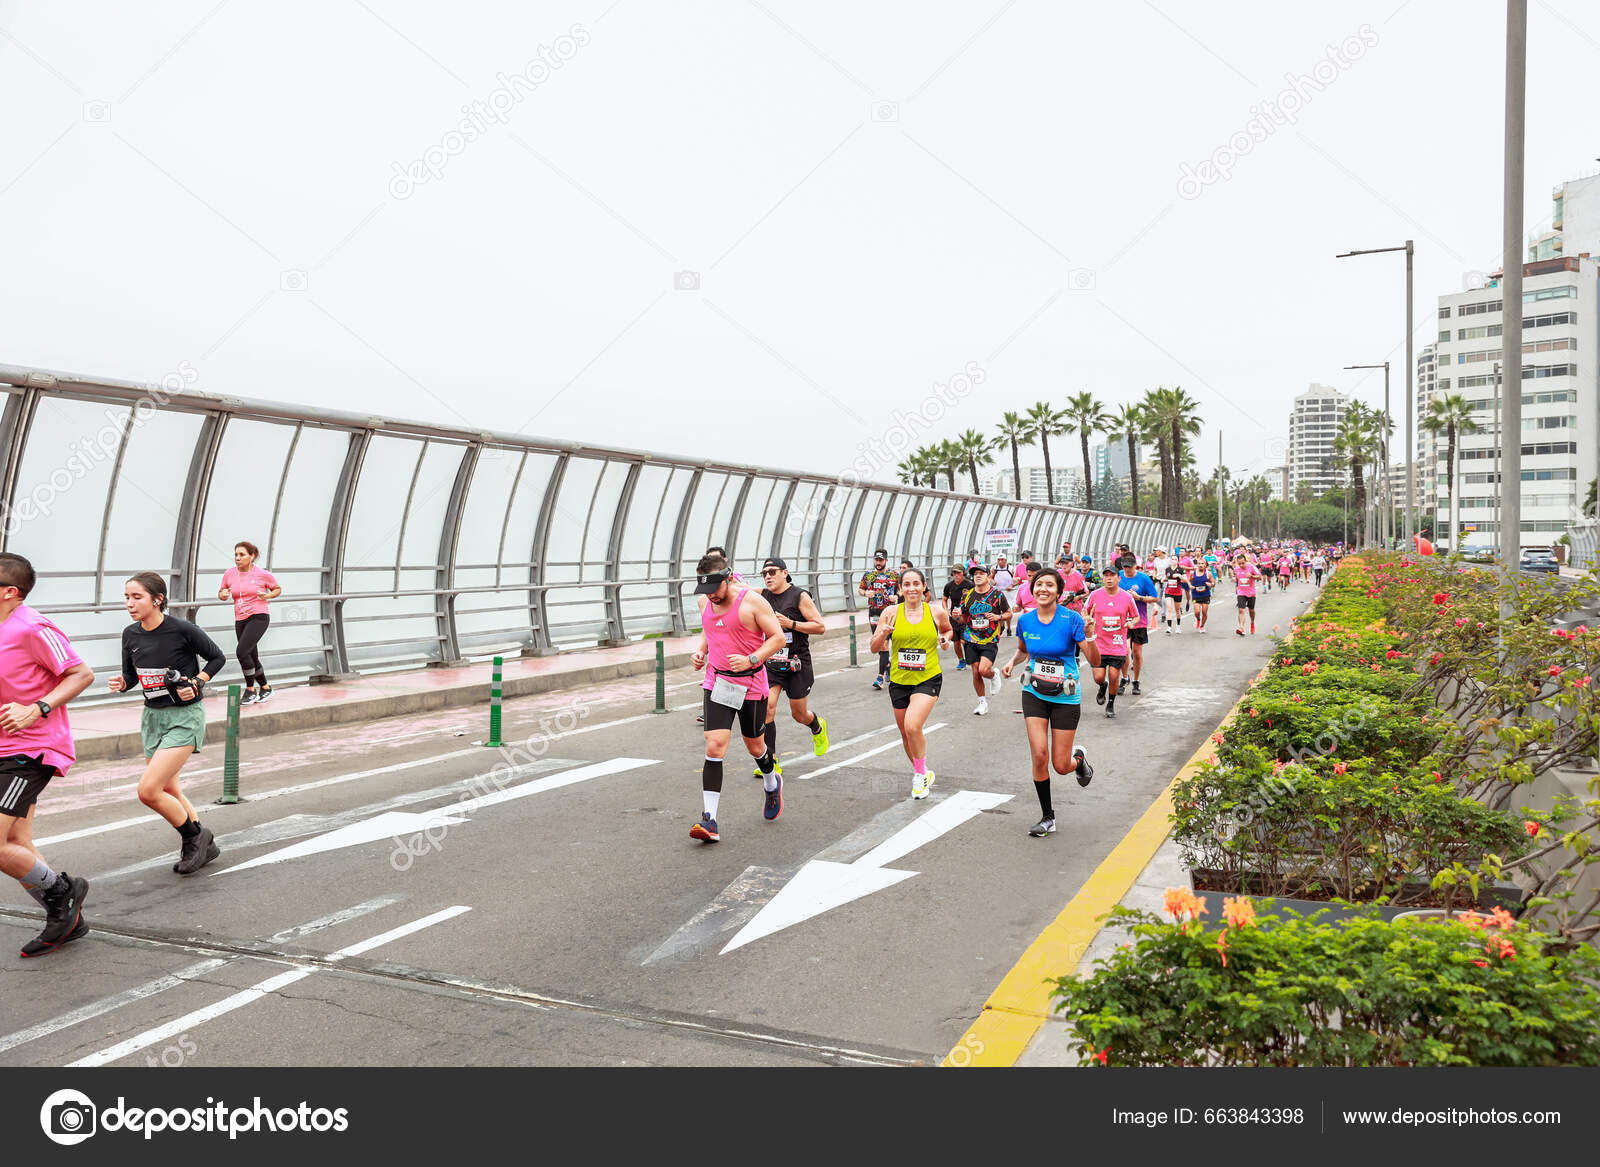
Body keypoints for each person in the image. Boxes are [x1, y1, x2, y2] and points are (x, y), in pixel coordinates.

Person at [0, 553, 96, 957]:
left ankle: (64, 893)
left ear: (9, 592)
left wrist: (36, 707)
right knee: (16, 842)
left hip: (32, 748)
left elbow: (81, 673)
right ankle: (65, 916)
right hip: (3, 747)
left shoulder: (32, 627)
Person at [108, 572, 227, 875]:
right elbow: (133, 677)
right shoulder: (130, 634)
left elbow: (216, 657)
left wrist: (198, 682)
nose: (130, 604)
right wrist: (123, 683)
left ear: (157, 600)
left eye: (137, 597)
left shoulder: (182, 629)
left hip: (184, 717)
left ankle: (194, 837)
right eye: (127, 597)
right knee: (170, 788)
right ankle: (205, 843)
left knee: (148, 790)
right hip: (152, 718)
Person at [689, 553, 786, 843]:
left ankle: (771, 781)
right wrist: (701, 653)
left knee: (755, 745)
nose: (710, 597)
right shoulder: (706, 602)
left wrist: (752, 658)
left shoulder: (752, 602)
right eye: (704, 590)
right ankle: (710, 819)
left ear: (728, 579)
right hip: (718, 681)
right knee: (715, 744)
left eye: (714, 589)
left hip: (751, 683)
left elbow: (778, 638)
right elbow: (711, 629)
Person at [1002, 567, 1096, 837]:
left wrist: (1089, 635)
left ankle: (1079, 761)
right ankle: (1047, 817)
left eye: (1049, 585)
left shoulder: (1072, 619)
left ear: (1059, 591)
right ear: (1032, 590)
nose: (1043, 589)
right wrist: (1010, 663)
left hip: (1066, 697)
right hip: (1034, 693)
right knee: (1039, 754)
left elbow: (1095, 661)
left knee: (1060, 765)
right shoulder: (1026, 621)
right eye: (1038, 584)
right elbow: (1023, 651)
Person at [869, 567, 952, 799]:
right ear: (900, 588)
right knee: (906, 733)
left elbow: (948, 630)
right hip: (898, 680)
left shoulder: (935, 612)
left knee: (913, 725)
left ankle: (918, 778)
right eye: (907, 584)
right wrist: (883, 633)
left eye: (916, 583)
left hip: (928, 677)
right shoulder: (891, 612)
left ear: (924, 586)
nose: (912, 588)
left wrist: (945, 639)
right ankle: (923, 771)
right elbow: (875, 648)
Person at [758, 557, 830, 770]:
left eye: (772, 572)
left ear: (784, 572)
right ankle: (770, 762)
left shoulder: (799, 596)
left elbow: (820, 627)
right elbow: (740, 588)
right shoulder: (763, 596)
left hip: (796, 663)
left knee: (799, 714)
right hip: (772, 662)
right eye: (764, 573)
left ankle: (817, 726)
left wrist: (791, 624)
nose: (768, 576)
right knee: (767, 709)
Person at [218, 541, 280, 705]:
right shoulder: (230, 574)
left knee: (242, 651)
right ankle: (266, 688)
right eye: (236, 554)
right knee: (251, 654)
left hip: (259, 616)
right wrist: (223, 595)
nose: (237, 558)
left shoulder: (262, 574)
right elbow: (223, 592)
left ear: (252, 556)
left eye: (242, 554)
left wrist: (267, 596)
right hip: (240, 619)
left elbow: (277, 589)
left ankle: (251, 689)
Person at [951, 564, 1009, 716]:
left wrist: (998, 617)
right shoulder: (968, 595)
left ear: (988, 576)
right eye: (975, 573)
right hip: (971, 638)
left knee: (984, 670)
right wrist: (956, 615)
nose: (977, 576)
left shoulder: (997, 595)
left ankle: (993, 675)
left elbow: (1008, 613)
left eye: (981, 573)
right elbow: (962, 618)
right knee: (976, 671)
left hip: (989, 639)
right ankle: (982, 702)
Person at [1084, 567, 1139, 719]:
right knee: (1098, 677)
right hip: (1098, 645)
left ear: (1118, 578)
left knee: (1114, 676)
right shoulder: (1095, 595)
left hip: (1117, 644)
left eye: (1112, 576)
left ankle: (1111, 704)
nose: (1108, 579)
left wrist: (1131, 624)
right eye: (1106, 576)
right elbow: (1085, 612)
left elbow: (1136, 616)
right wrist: (1088, 620)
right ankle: (1102, 686)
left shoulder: (1127, 597)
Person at [1116, 553, 1159, 696]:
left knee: (1137, 653)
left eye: (1129, 567)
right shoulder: (1119, 576)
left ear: (1135, 566)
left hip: (1139, 621)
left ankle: (1136, 680)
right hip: (1122, 621)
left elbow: (1155, 597)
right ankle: (1124, 678)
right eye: (1125, 567)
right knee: (1124, 651)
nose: (1127, 570)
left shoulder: (1143, 578)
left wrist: (1139, 597)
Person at [858, 549, 899, 690]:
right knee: (880, 642)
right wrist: (866, 594)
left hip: (890, 613)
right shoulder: (869, 575)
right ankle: (887, 666)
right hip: (874, 612)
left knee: (887, 643)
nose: (878, 563)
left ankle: (880, 676)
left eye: (881, 560)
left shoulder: (894, 574)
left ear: (886, 560)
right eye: (876, 560)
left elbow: (901, 590)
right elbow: (860, 589)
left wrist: (897, 596)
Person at [941, 565, 970, 670]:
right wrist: (946, 610)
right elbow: (944, 599)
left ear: (963, 573)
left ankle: (971, 656)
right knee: (956, 641)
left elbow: (976, 598)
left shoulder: (969, 585)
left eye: (958, 573)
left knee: (964, 640)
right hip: (953, 617)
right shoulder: (949, 586)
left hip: (966, 616)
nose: (956, 575)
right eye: (954, 573)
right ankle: (961, 660)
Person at [1233, 552, 1262, 636]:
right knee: (1241, 610)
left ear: (1246, 561)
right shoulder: (1237, 569)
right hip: (1241, 592)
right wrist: (1236, 587)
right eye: (1240, 563)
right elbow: (1237, 579)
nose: (1241, 565)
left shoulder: (1251, 567)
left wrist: (1252, 576)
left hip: (1251, 592)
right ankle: (1241, 628)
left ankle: (1252, 622)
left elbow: (1259, 576)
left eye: (1243, 563)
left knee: (1251, 610)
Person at [1161, 559, 1186, 634]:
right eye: (1172, 559)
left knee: (1177, 610)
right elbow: (1167, 578)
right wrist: (1163, 579)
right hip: (1168, 591)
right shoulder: (1167, 569)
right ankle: (1169, 627)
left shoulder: (1181, 569)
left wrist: (1179, 575)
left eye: (1175, 559)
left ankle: (1178, 626)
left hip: (1177, 592)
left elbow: (1185, 580)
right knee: (1169, 608)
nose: (1173, 560)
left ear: (1178, 561)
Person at [1189, 561, 1215, 632]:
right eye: (1199, 564)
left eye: (1202, 564)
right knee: (1197, 612)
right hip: (1196, 594)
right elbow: (1189, 581)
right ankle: (1198, 619)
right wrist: (1190, 586)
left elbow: (1213, 583)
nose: (1200, 565)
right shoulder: (1192, 573)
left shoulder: (1208, 573)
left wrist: (1211, 584)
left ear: (1205, 565)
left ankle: (1202, 626)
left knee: (1204, 612)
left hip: (1205, 594)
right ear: (1197, 565)